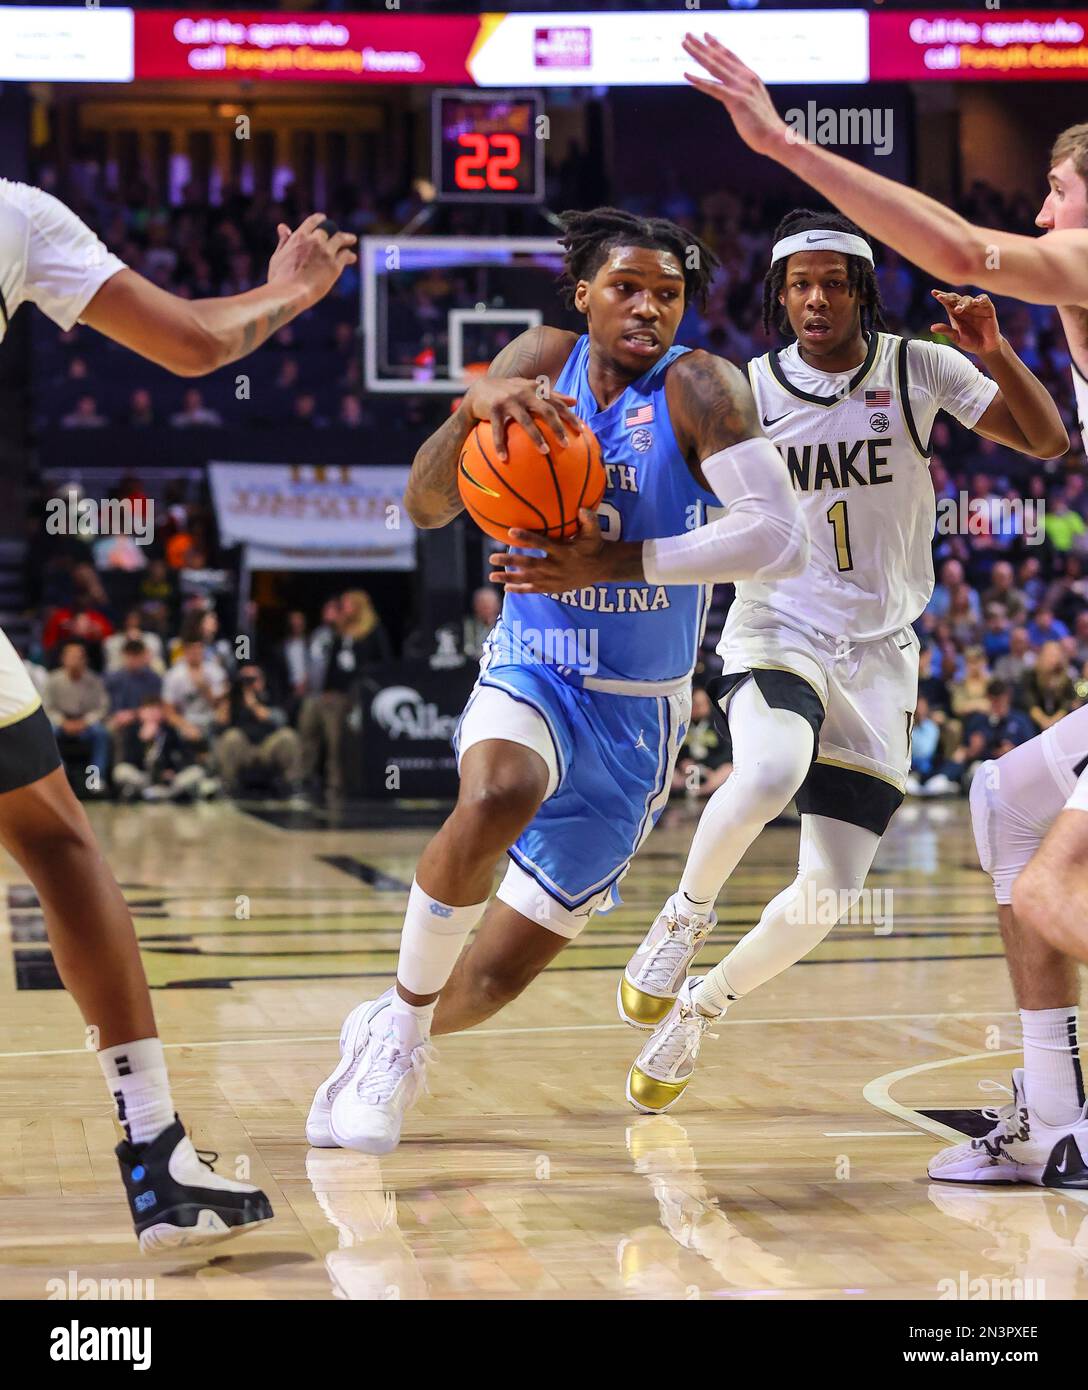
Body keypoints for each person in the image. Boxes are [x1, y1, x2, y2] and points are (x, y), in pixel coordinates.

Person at [307, 205, 808, 1155]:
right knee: (502, 787)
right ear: (584, 296)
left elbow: (777, 535)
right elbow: (420, 506)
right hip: (535, 663)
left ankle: (388, 1025)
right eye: (627, 288)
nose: (649, 307)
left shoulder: (702, 387)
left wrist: (615, 562)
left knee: (493, 982)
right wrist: (471, 408)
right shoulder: (540, 358)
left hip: (636, 716)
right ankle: (398, 1038)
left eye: (669, 293)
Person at [605, 207, 1063, 1111]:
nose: (817, 298)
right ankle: (681, 918)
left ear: (862, 292)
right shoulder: (743, 389)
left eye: (835, 282)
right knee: (771, 766)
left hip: (883, 651)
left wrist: (998, 351)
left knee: (831, 891)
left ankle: (700, 1007)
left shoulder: (917, 366)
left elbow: (1046, 441)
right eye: (800, 284)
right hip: (780, 622)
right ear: (779, 296)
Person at [0, 175, 356, 1246]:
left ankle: (162, 1163)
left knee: (58, 836)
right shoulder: (13, 212)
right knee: (59, 843)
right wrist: (287, 292)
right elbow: (197, 346)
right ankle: (156, 1165)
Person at [299, 590, 390, 801]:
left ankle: (336, 783)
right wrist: (326, 690)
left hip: (357, 694)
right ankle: (302, 777)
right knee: (309, 715)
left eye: (348, 604)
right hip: (333, 693)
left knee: (335, 734)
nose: (343, 607)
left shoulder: (372, 631)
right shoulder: (339, 633)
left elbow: (383, 664)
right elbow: (332, 666)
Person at [213, 665, 303, 799]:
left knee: (288, 736)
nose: (249, 683)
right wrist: (227, 699)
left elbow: (280, 719)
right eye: (244, 680)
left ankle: (292, 784)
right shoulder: (232, 700)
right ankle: (228, 787)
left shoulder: (270, 695)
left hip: (266, 748)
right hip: (243, 749)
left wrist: (253, 704)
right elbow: (218, 726)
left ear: (262, 680)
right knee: (231, 737)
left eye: (252, 679)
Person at [43, 641, 111, 783]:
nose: (75, 660)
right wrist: (63, 722)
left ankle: (95, 779)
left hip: (86, 724)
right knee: (47, 732)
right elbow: (47, 707)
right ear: (63, 659)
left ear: (85, 660)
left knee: (101, 733)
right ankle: (59, 778)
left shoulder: (95, 681)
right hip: (61, 723)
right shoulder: (53, 680)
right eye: (71, 656)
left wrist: (85, 722)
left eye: (78, 657)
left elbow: (102, 708)